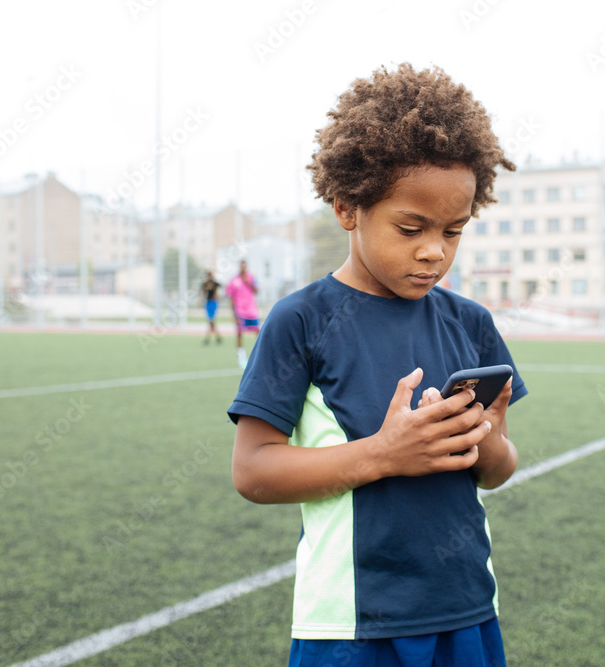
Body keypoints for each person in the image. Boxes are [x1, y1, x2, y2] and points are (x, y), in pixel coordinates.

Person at [227, 63, 525, 667]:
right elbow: (254, 472)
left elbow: (498, 469)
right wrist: (384, 456)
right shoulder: (300, 321)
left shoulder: (471, 323)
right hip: (351, 624)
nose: (434, 250)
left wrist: (486, 440)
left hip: (467, 607)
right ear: (347, 207)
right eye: (410, 227)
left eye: (454, 230)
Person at [225, 260, 258, 369]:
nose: (243, 267)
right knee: (239, 334)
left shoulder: (251, 277)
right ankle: (241, 357)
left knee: (258, 333)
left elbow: (256, 291)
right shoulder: (234, 280)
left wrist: (247, 281)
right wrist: (233, 315)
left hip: (252, 311)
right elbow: (230, 299)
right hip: (240, 312)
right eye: (241, 265)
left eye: (245, 265)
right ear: (239, 266)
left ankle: (259, 355)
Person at [200, 270, 222, 345]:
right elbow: (203, 293)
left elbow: (221, 287)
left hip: (214, 302)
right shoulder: (205, 284)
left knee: (211, 320)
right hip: (208, 303)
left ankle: (208, 338)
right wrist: (201, 300)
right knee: (211, 321)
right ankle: (217, 336)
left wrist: (218, 296)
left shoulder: (215, 284)